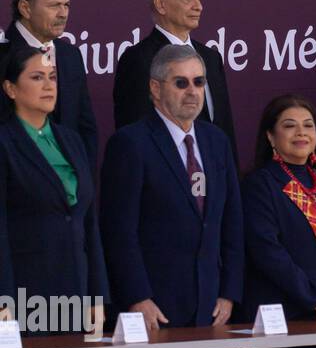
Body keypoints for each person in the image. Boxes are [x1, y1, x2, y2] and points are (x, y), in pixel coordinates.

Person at [100, 45, 243, 331]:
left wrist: (229, 293)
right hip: (154, 309)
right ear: (155, 88)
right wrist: (137, 297)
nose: (192, 91)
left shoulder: (217, 141)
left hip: (212, 307)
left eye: (199, 82)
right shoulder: (130, 143)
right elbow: (119, 231)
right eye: (181, 83)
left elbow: (232, 222)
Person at [0, 44, 106, 333]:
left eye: (53, 77)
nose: (49, 86)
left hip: (77, 292)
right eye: (37, 77)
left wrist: (97, 296)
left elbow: (89, 223)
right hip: (25, 296)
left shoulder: (72, 140)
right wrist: (3, 302)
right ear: (10, 89)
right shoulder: (5, 143)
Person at [240, 94, 316, 322]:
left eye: (308, 125)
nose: (301, 132)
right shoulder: (260, 184)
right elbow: (266, 251)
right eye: (289, 126)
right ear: (271, 136)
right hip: (285, 311)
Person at [113, 0, 238, 159]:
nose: (198, 6)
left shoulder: (211, 58)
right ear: (160, 5)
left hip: (214, 171)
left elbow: (225, 128)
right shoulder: (139, 59)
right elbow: (134, 133)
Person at [0, 0, 97, 167]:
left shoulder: (71, 56)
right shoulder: (3, 57)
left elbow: (85, 127)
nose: (63, 14)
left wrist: (83, 179)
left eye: (66, 5)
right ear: (25, 8)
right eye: (54, 6)